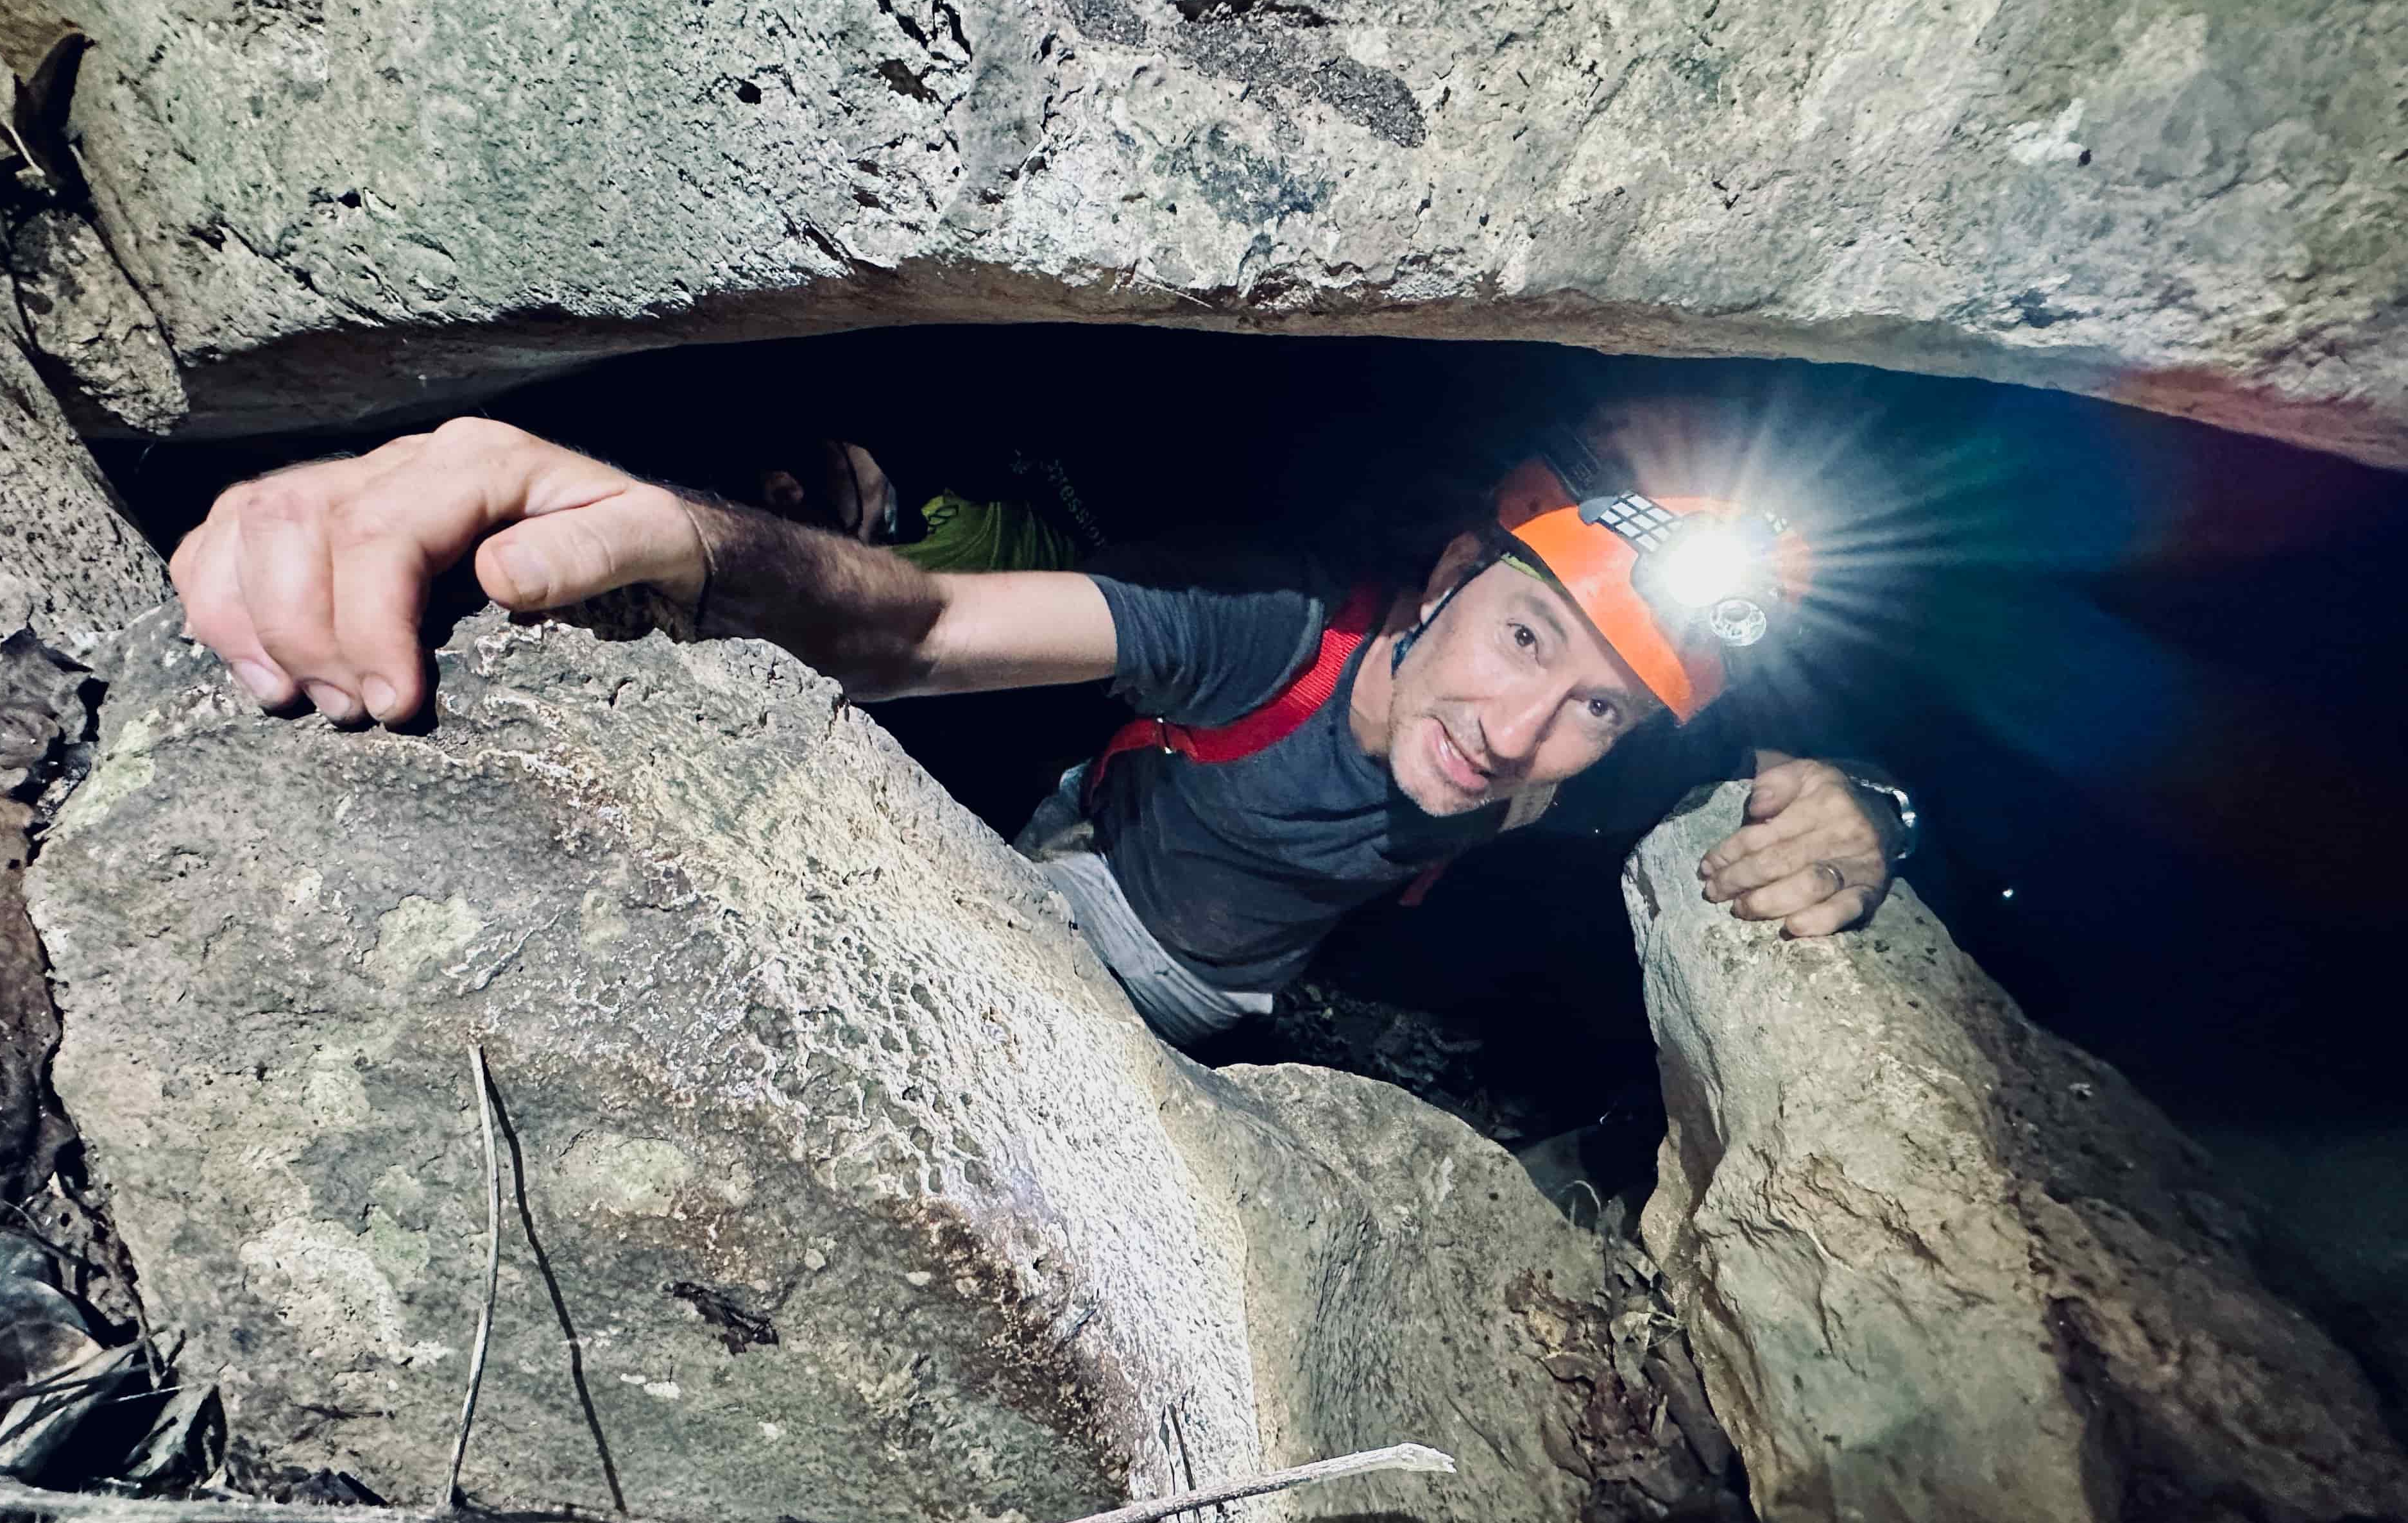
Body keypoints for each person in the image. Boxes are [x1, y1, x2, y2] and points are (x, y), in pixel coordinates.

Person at [169, 411, 1909, 1046]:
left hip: (1228, 1001)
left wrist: (1867, 805)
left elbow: (1776, 771)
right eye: (1525, 636)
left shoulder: (1575, 774)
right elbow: (918, 626)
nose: (1520, 730)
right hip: (1069, 881)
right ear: (1453, 575)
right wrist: (672, 532)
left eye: (1597, 705)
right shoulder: (1266, 633)